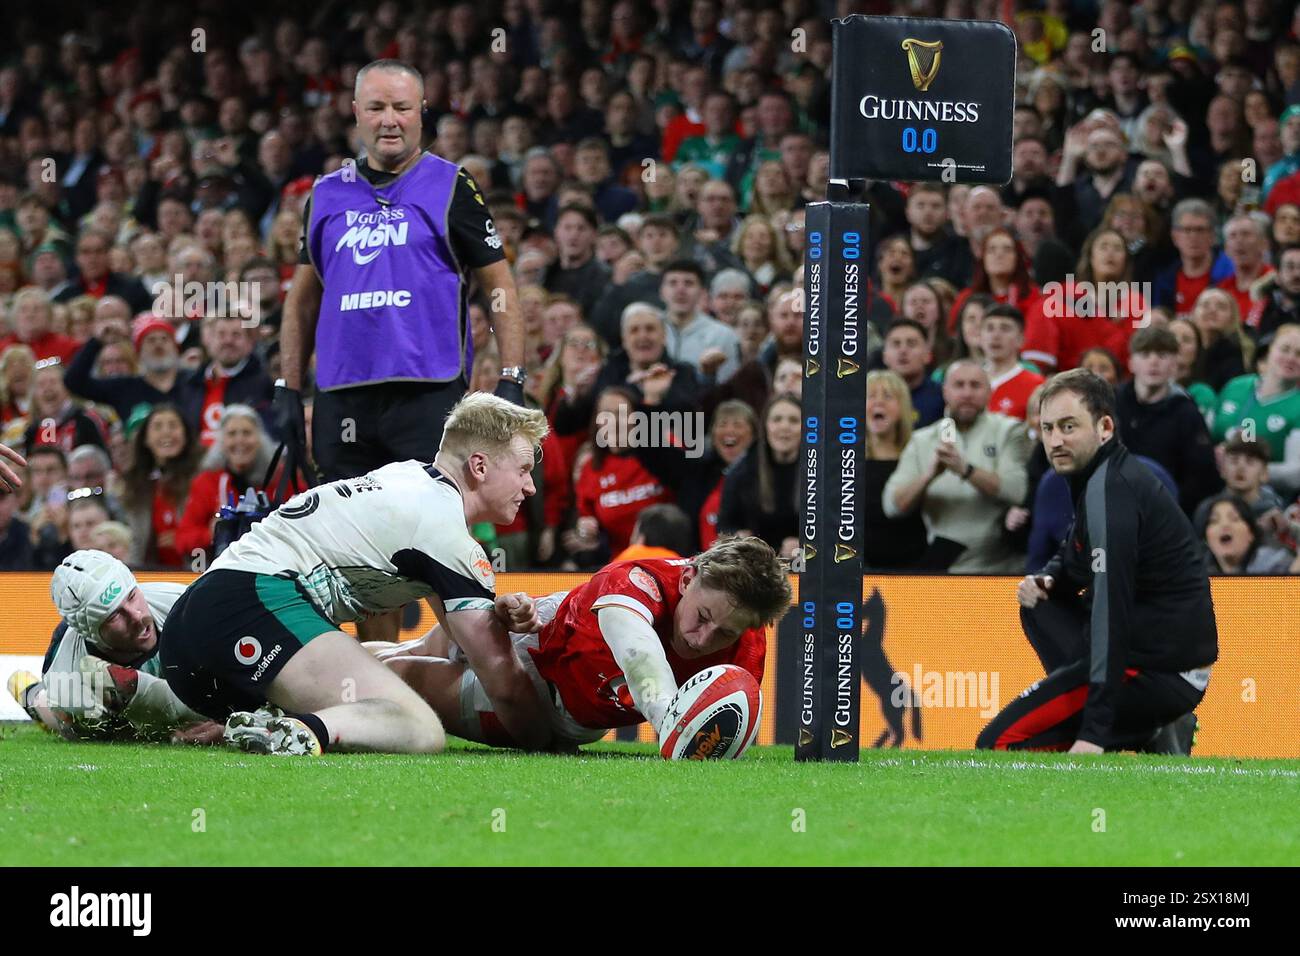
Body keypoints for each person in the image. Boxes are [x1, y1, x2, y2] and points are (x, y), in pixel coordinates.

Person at [276, 59, 528, 643]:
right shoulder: (323, 196)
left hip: (429, 392)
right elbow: (300, 302)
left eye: (402, 108)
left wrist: (511, 377)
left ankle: (475, 679)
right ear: (356, 114)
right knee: (357, 550)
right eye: (377, 108)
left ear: (422, 115)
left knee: (437, 539)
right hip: (342, 397)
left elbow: (500, 286)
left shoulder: (452, 185)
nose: (390, 121)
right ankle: (379, 685)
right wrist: (287, 388)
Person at [158, 393, 554, 755]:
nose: (530, 486)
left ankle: (255, 721)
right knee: (419, 727)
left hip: (195, 628)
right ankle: (300, 731)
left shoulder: (407, 478)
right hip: (252, 604)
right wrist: (552, 743)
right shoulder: (447, 535)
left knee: (384, 661)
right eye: (522, 469)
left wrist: (494, 614)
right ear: (480, 466)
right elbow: (505, 687)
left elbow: (454, 645)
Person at [978, 369, 1218, 754]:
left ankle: (1134, 725)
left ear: (1105, 427)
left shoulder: (1112, 491)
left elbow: (1111, 611)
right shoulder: (1099, 477)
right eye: (1048, 428)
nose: (1055, 440)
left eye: (1069, 427)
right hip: (1162, 664)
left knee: (998, 743)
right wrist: (1051, 577)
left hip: (1156, 670)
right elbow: (1075, 555)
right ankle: (1147, 728)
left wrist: (1094, 733)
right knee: (1040, 602)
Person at [378, 536, 791, 753]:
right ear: (687, 580)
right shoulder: (636, 580)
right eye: (702, 617)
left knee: (394, 683)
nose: (703, 639)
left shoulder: (747, 644)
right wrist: (672, 724)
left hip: (551, 707)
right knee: (399, 657)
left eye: (725, 633)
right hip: (533, 631)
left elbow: (730, 730)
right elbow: (639, 654)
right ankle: (317, 657)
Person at [10, 550, 218, 743]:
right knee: (68, 723)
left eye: (132, 596)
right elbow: (146, 733)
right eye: (115, 615)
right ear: (93, 633)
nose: (136, 616)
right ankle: (30, 693)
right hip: (75, 692)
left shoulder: (183, 603)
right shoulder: (69, 687)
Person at [883, 361, 1030, 572]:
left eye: (975, 385)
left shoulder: (1010, 431)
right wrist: (928, 476)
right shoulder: (922, 440)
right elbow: (892, 507)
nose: (967, 393)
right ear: (945, 391)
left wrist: (966, 470)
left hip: (1003, 569)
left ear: (990, 391)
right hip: (946, 569)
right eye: (959, 385)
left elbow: (1018, 491)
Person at [1115, 325, 1222, 514]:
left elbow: (1202, 477)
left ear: (1174, 364)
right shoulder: (1112, 403)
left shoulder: (1187, 412)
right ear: (1131, 362)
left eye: (1162, 355)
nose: (1154, 362)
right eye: (1145, 354)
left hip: (1166, 514)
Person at [1210, 323, 1300, 496]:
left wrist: (1246, 468)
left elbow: (1295, 473)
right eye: (1285, 349)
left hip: (1266, 498)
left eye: (1299, 354)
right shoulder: (1236, 386)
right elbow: (1206, 433)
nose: (1290, 358)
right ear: (1269, 352)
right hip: (1212, 487)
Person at [863, 370, 927, 570]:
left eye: (888, 396)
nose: (878, 403)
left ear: (903, 408)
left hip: (912, 570)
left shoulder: (919, 456)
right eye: (870, 396)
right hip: (859, 571)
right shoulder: (844, 460)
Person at [1196, 494, 1299, 575]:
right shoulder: (1198, 574)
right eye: (1214, 521)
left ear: (1251, 533)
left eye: (1235, 519)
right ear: (1206, 539)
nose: (1224, 525)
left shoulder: (1277, 564)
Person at [980, 305, 1044, 421]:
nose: (996, 336)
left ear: (1021, 339)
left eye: (1005, 329)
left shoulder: (1035, 385)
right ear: (980, 336)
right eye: (989, 328)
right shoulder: (968, 381)